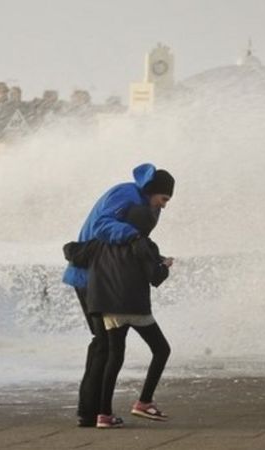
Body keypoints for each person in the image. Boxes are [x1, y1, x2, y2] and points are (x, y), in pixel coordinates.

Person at [62, 163, 175, 428]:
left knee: (104, 345)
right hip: (92, 278)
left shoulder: (138, 202)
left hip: (101, 275)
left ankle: (92, 412)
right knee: (105, 346)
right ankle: (93, 413)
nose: (164, 205)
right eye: (164, 199)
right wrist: (136, 238)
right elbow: (103, 225)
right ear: (152, 191)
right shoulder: (126, 194)